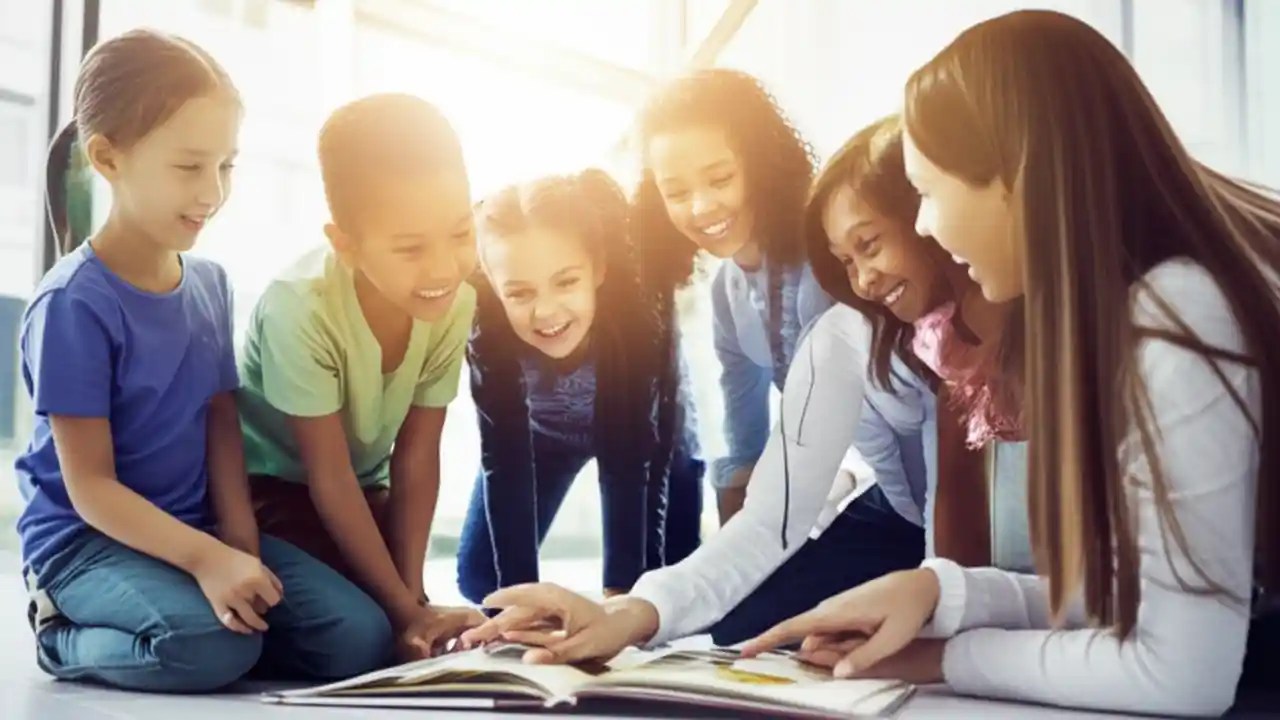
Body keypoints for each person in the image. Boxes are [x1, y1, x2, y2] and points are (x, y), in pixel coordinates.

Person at [742, 11, 1280, 717]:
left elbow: (1179, 673)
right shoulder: (1137, 310)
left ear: (1014, 172)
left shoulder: (1177, 314)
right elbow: (1148, 587)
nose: (927, 225)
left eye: (929, 192)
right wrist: (944, 595)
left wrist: (943, 659)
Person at [457, 116, 993, 656]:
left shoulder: (1006, 329)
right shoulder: (840, 333)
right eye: (844, 260)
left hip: (981, 553)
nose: (861, 281)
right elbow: (771, 515)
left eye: (870, 245)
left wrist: (940, 619)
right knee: (741, 632)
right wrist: (635, 608)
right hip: (894, 515)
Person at [16, 29, 392, 692]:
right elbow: (91, 490)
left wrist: (237, 543)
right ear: (107, 157)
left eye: (226, 165)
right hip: (85, 546)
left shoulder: (210, 283)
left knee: (359, 638)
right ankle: (60, 636)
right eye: (190, 167)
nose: (213, 191)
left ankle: (226, 637)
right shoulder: (73, 302)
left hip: (196, 533)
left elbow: (221, 423)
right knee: (207, 645)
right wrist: (206, 560)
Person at [237, 94, 482, 661]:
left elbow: (417, 456)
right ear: (345, 244)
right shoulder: (298, 308)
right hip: (271, 499)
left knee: (397, 620)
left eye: (461, 233)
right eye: (411, 249)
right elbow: (327, 477)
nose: (443, 268)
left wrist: (416, 598)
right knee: (360, 639)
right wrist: (403, 612)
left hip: (366, 495)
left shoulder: (452, 301)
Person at [458, 169, 704, 603]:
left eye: (566, 282)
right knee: (483, 582)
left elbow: (629, 462)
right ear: (494, 288)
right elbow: (505, 458)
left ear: (598, 269)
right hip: (544, 436)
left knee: (667, 586)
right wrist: (519, 599)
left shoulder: (639, 310)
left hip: (651, 437)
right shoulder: (483, 325)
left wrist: (619, 594)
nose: (546, 312)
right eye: (519, 293)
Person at [632, 68, 831, 524]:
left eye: (719, 179)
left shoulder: (824, 257)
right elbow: (744, 431)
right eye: (676, 192)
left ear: (761, 164)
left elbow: (817, 418)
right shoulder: (726, 290)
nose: (700, 207)